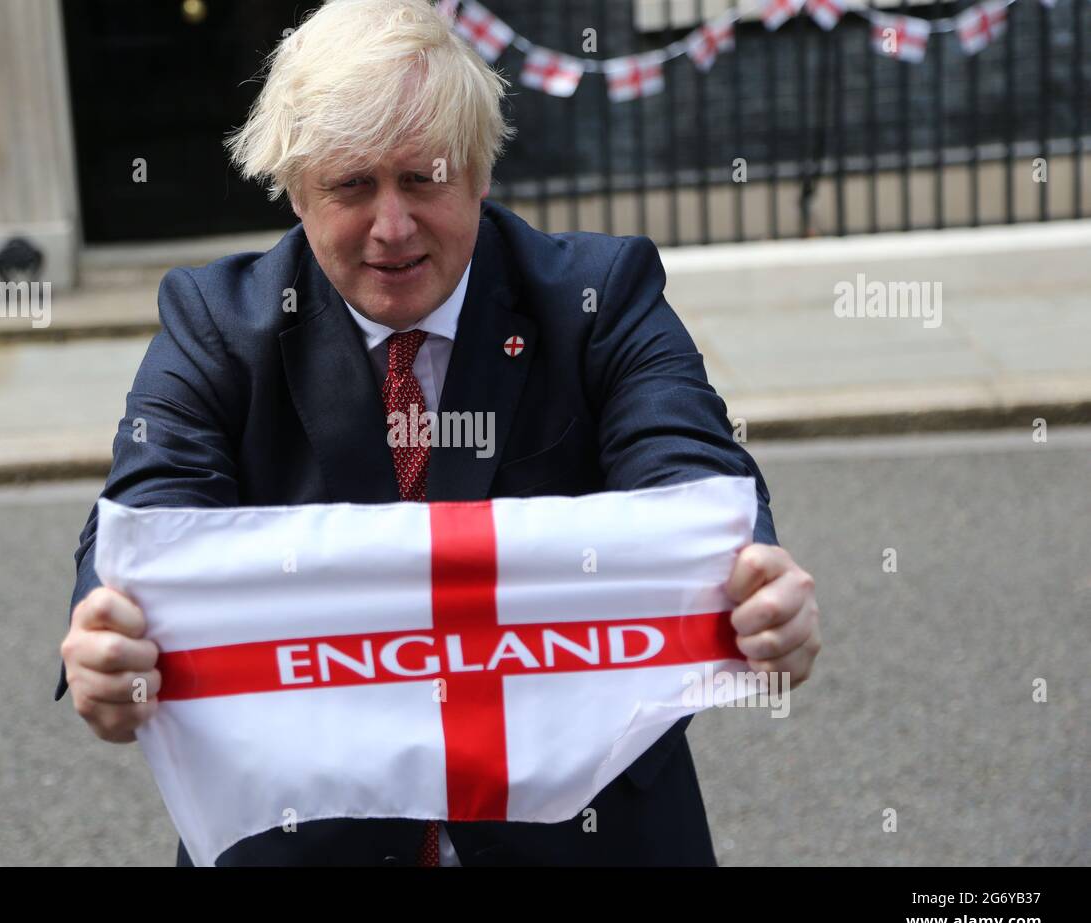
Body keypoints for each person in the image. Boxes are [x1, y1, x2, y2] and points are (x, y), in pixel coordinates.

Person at [56, 0, 820, 866]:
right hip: (309, 831)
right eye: (351, 186)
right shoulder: (214, 323)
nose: (392, 226)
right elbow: (147, 515)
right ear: (295, 189)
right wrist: (109, 627)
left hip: (579, 833)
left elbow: (690, 467)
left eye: (424, 178)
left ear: (481, 173)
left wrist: (752, 579)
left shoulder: (599, 295)